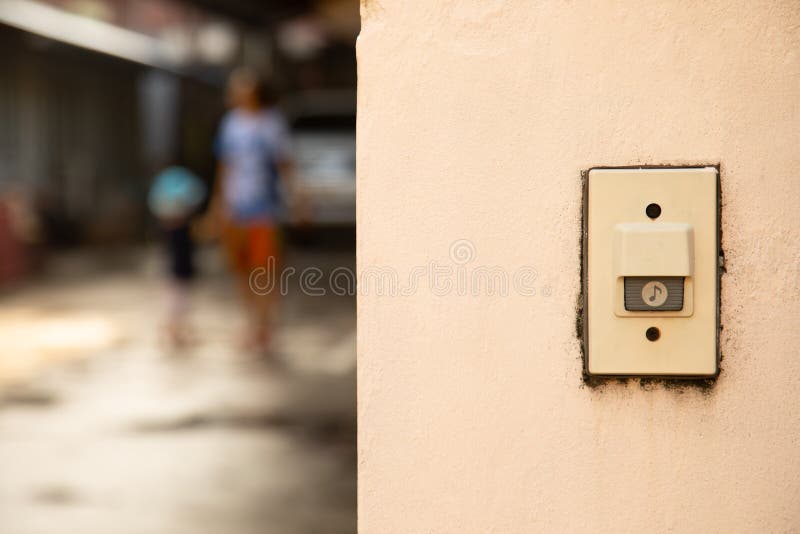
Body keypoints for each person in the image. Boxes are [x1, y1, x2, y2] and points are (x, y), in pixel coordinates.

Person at [211, 68, 295, 354]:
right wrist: (219, 207)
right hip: (237, 210)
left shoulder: (272, 124)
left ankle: (265, 325)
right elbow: (224, 169)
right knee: (243, 270)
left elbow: (285, 164)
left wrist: (297, 198)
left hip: (266, 209)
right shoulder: (230, 125)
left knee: (265, 272)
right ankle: (251, 324)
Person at [148, 165, 206, 347]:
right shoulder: (176, 233)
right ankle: (174, 329)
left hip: (177, 278)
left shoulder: (177, 232)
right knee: (176, 300)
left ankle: (176, 328)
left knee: (178, 300)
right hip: (176, 279)